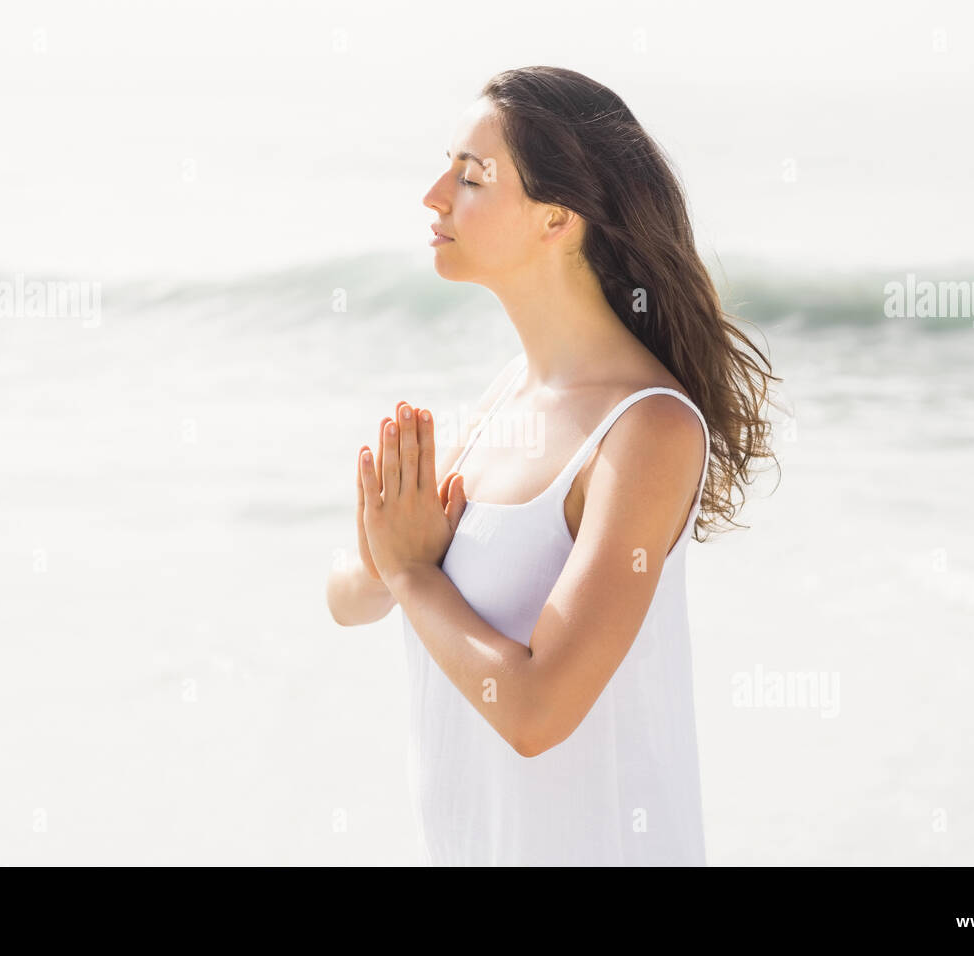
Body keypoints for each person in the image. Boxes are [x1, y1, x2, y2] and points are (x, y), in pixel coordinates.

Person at [326, 66, 780, 865]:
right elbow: (348, 598)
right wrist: (388, 555)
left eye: (471, 177)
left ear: (558, 217)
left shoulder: (646, 429)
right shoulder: (507, 394)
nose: (434, 196)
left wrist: (412, 574)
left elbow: (538, 712)